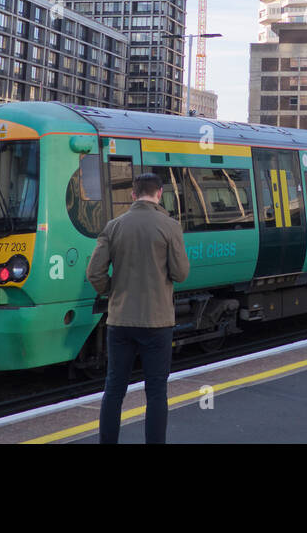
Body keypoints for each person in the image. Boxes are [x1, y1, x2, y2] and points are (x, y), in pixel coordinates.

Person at [87, 172, 190, 444]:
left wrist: (112, 290)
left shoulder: (114, 226)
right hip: (157, 323)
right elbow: (180, 274)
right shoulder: (170, 226)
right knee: (156, 392)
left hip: (120, 321)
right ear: (159, 194)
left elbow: (94, 273)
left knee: (114, 390)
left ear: (133, 195)